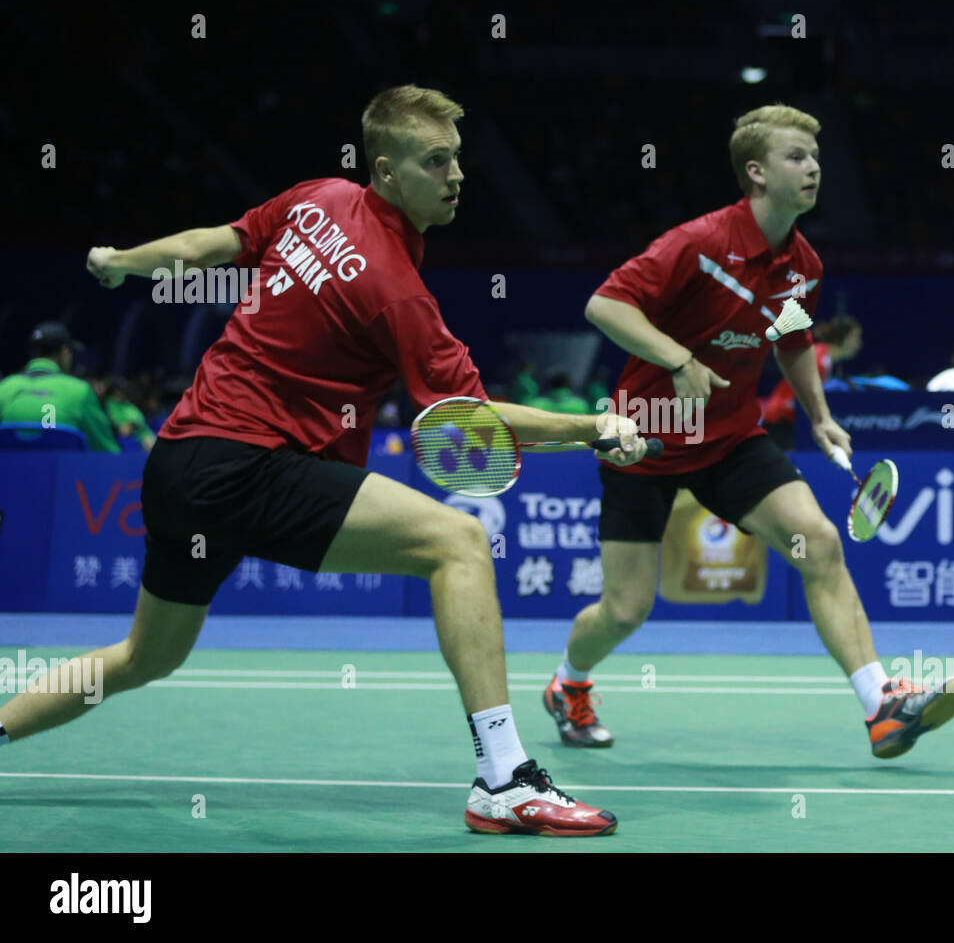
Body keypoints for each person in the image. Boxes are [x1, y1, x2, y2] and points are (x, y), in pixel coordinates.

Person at [1, 85, 649, 838]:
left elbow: (204, 246)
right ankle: (503, 778)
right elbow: (472, 419)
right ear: (386, 170)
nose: (456, 176)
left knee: (147, 656)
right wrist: (594, 427)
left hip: (178, 460)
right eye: (435, 161)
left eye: (456, 159)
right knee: (459, 542)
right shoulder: (397, 292)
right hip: (247, 462)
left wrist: (119, 261)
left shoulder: (317, 198)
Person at [541, 104, 954, 759]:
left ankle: (881, 704)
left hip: (731, 440)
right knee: (625, 610)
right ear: (757, 172)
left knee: (819, 542)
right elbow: (605, 305)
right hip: (646, 438)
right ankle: (568, 683)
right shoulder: (698, 243)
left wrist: (820, 417)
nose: (813, 167)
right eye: (797, 156)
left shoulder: (804, 266)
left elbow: (791, 342)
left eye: (816, 157)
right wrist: (679, 360)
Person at [0, 321, 121, 451]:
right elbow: (106, 450)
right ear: (65, 352)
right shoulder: (80, 391)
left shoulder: (4, 388)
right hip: (62, 465)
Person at [760, 313, 862, 448]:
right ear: (845, 338)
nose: (859, 344)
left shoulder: (824, 357)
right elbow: (800, 395)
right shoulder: (819, 359)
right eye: (856, 338)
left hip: (786, 419)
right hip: (779, 420)